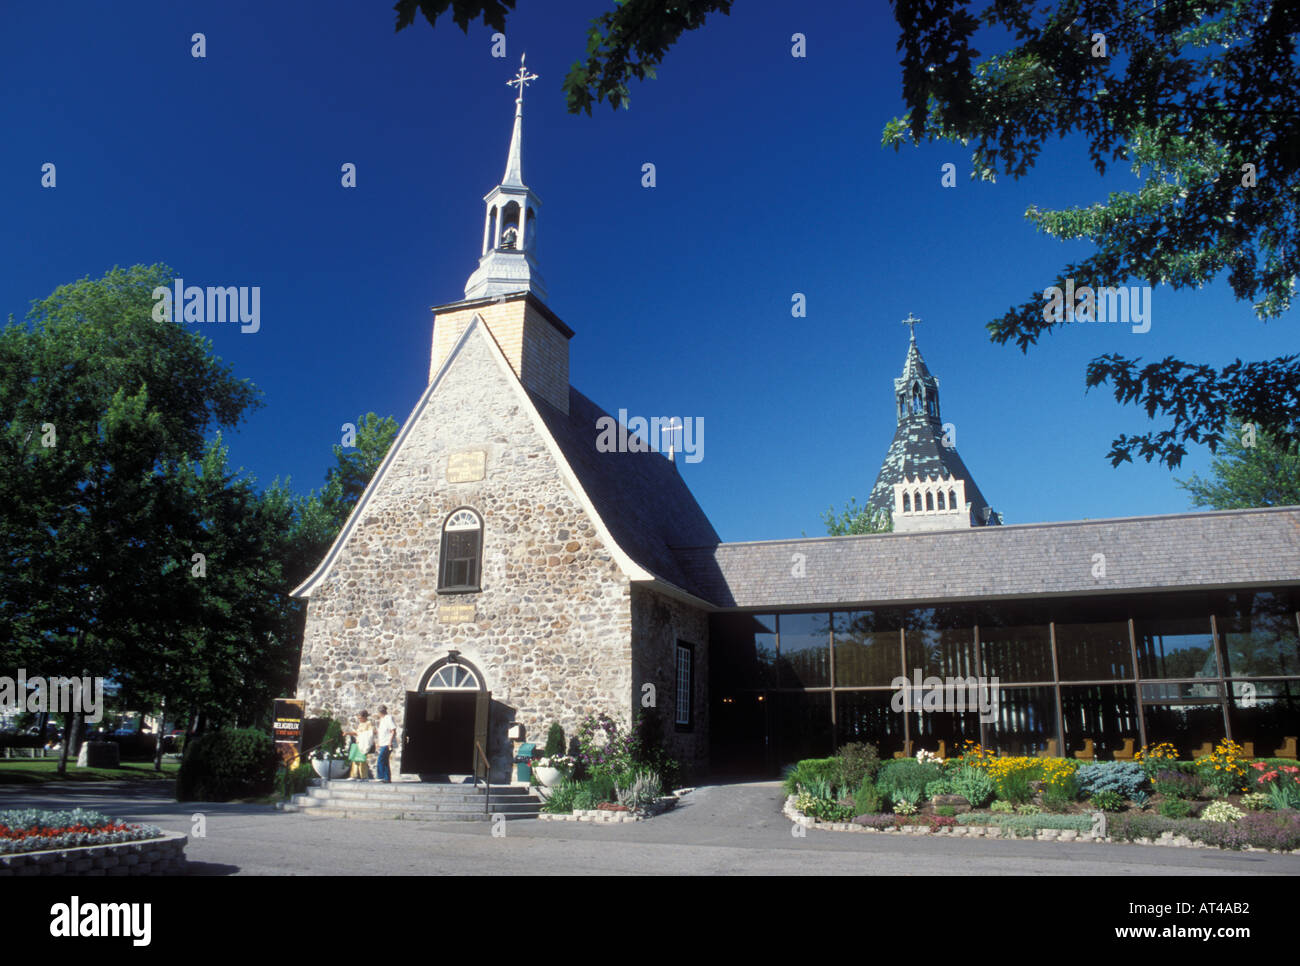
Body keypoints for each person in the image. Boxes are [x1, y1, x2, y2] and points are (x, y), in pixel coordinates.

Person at [346, 710, 374, 781]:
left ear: (364, 717)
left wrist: (363, 735)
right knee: (355, 759)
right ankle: (354, 775)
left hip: (364, 744)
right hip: (358, 743)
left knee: (362, 760)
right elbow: (357, 733)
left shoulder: (369, 723)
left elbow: (371, 733)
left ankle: (364, 776)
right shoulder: (361, 724)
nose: (359, 719)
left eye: (360, 718)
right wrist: (348, 733)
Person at [375, 705, 397, 782]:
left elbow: (393, 730)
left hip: (387, 743)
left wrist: (390, 742)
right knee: (385, 760)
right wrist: (378, 742)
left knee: (381, 759)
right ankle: (387, 778)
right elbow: (381, 733)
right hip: (383, 743)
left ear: (381, 712)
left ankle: (381, 776)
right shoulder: (382, 719)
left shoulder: (388, 718)